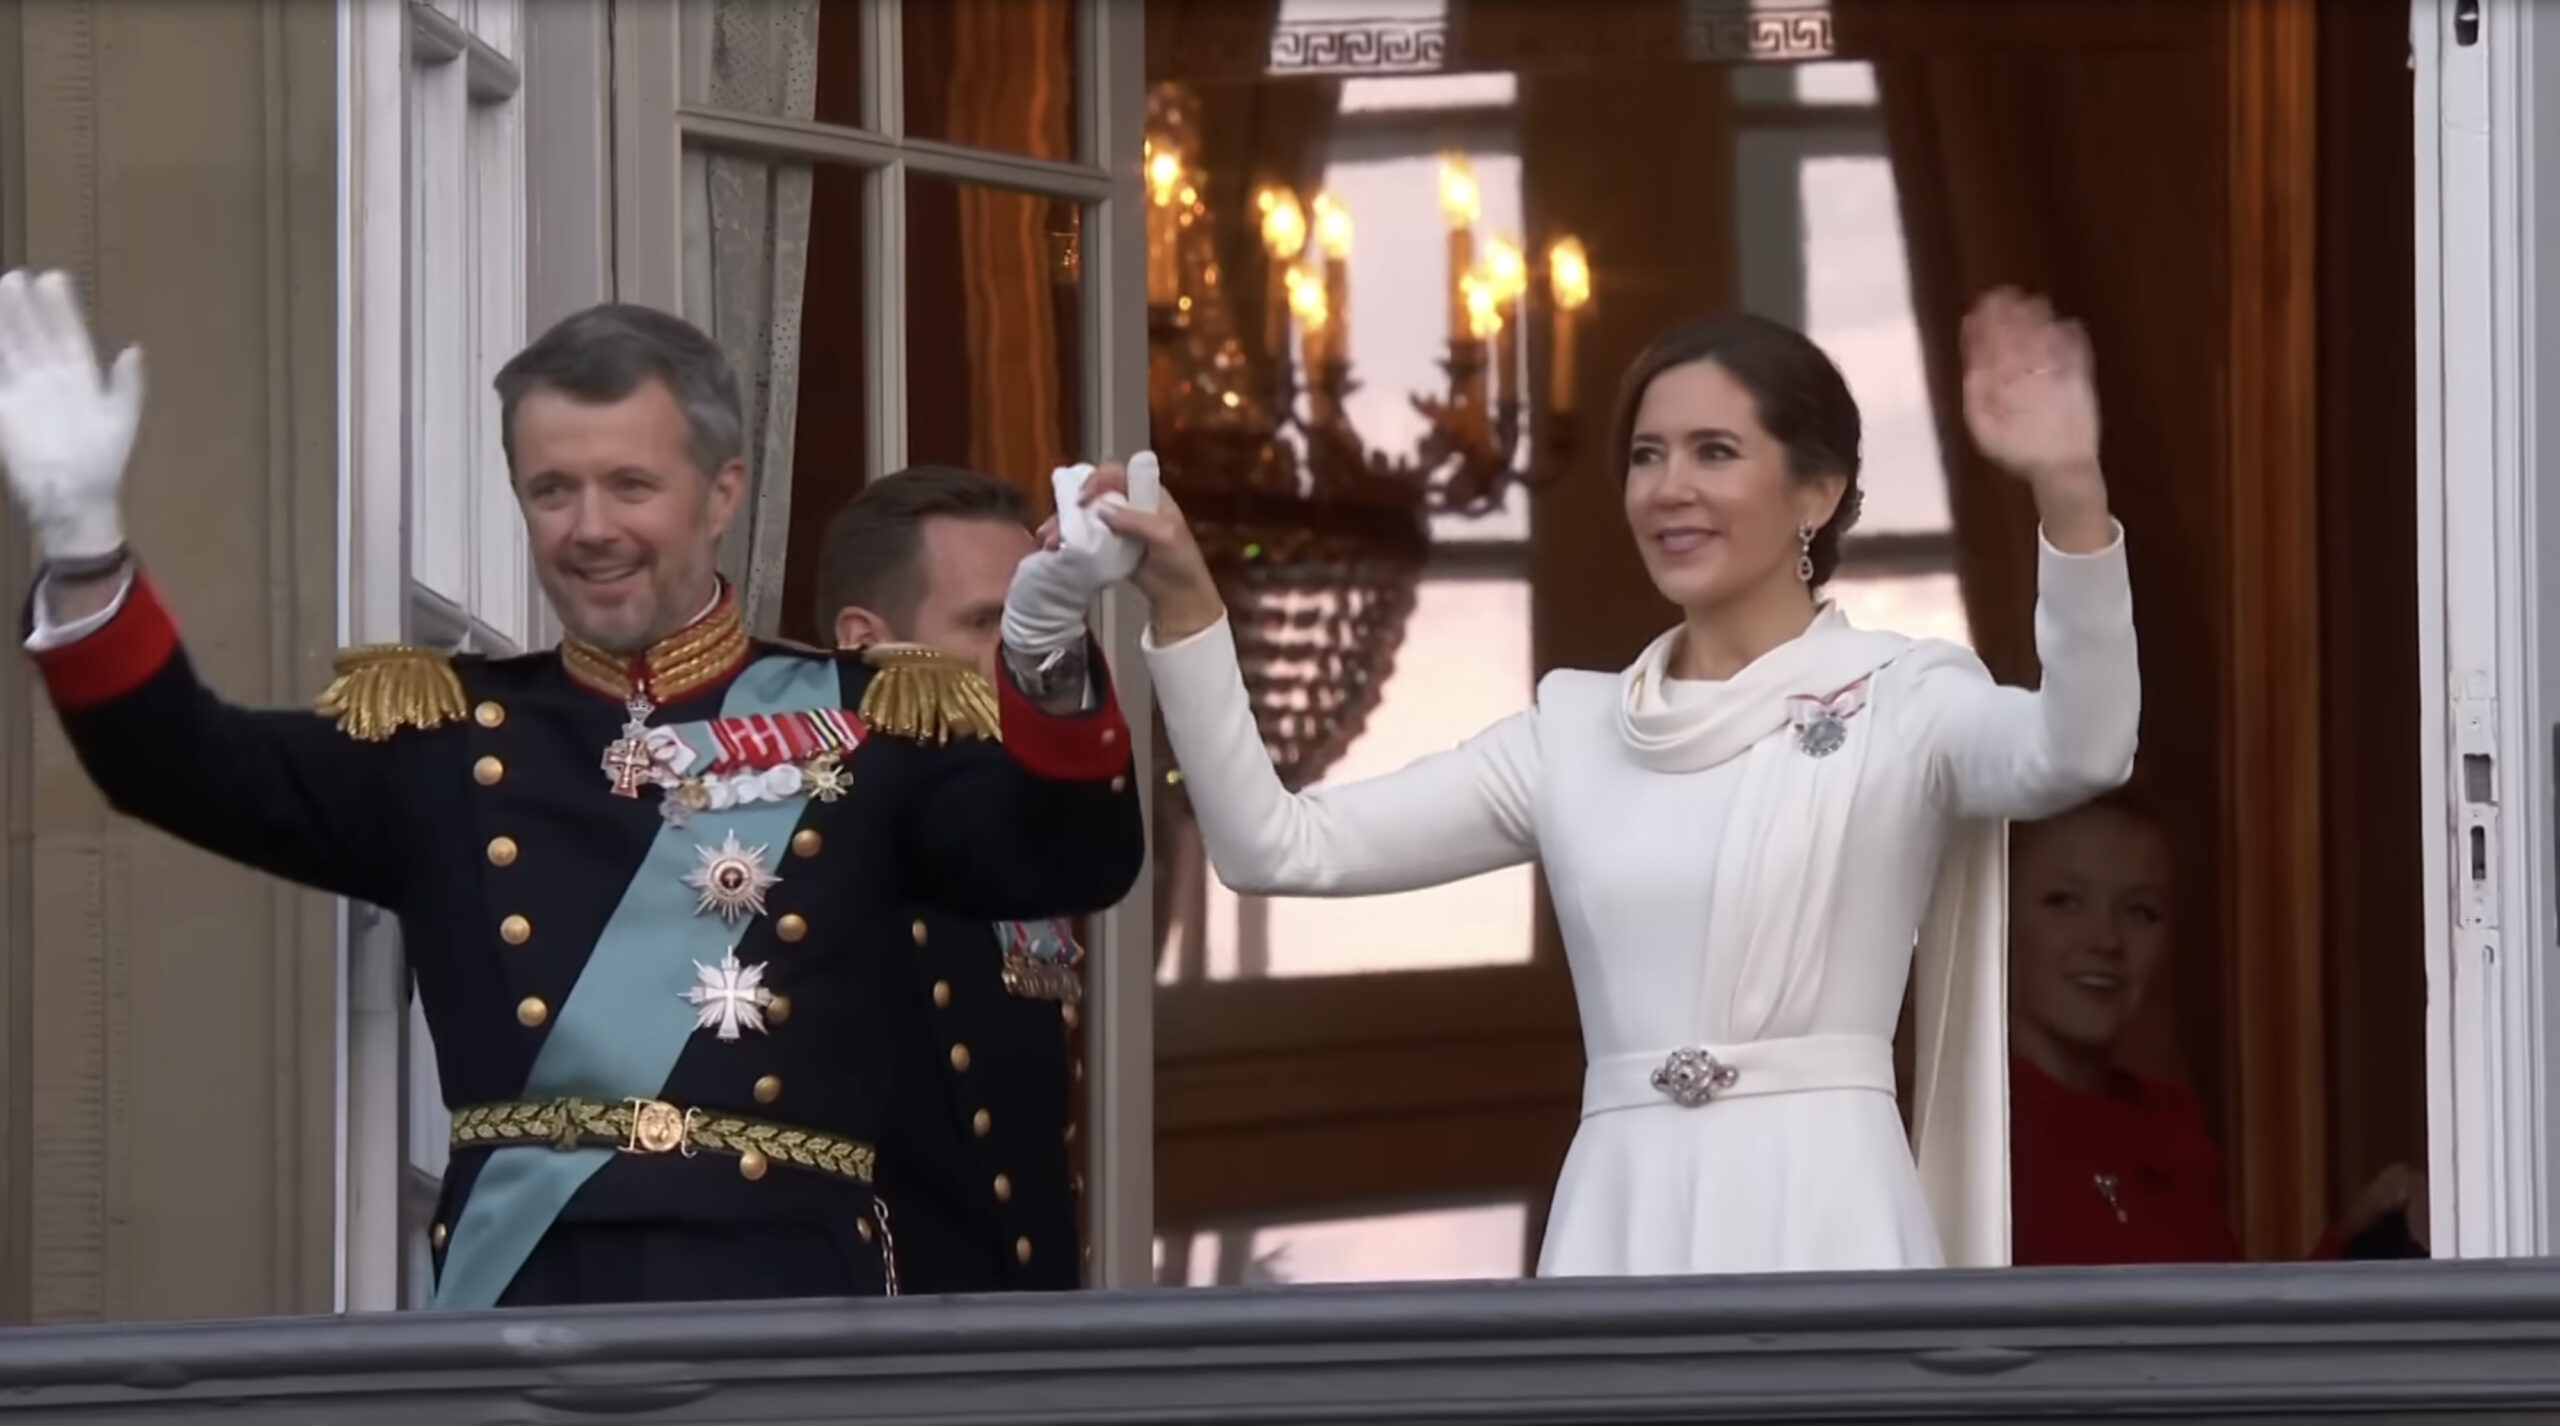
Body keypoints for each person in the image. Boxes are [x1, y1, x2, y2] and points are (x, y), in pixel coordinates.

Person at [0, 269, 1145, 1307]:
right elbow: (179, 763)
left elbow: (1071, 859)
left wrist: (1043, 651)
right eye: (553, 489)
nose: (591, 529)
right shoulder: (440, 738)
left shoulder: (870, 721)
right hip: (529, 1313)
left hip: (792, 1316)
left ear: (722, 492)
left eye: (631, 485)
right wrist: (90, 551)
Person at [1081, 290, 2141, 1275]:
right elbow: (1276, 846)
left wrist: (2069, 490)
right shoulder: (1574, 730)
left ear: (1815, 492)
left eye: (1713, 452)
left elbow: (2083, 748)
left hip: (1827, 1205)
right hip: (1618, 1216)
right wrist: (1182, 601)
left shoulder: (1904, 701)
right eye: (1646, 455)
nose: (1667, 487)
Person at [810, 465, 1086, 1293]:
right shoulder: (800, 841)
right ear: (865, 641)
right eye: (988, 624)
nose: (1025, 654)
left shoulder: (1018, 835)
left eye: (1038, 623)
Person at [2007, 795, 2429, 1265]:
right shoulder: (1964, 1131)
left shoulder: (2168, 1124)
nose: (2106, 940)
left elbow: (2221, 1331)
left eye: (2140, 911)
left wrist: (2359, 1245)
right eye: (2064, 902)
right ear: (1997, 920)